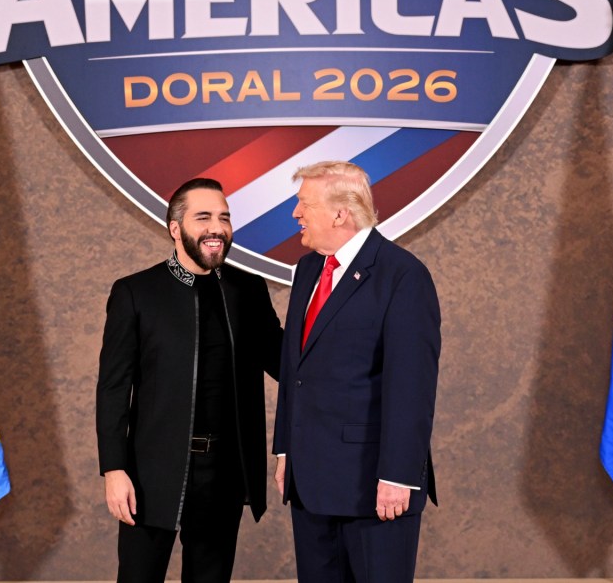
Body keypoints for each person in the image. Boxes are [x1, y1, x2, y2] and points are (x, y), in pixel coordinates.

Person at [97, 177, 282, 583]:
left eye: (224, 217)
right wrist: (114, 470)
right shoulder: (135, 292)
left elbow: (288, 367)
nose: (217, 227)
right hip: (150, 473)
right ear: (176, 228)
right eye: (204, 217)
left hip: (226, 474)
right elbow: (113, 388)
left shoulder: (249, 290)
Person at [273, 161, 441, 583]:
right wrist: (284, 451)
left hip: (374, 487)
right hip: (310, 483)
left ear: (339, 213)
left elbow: (411, 386)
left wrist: (399, 475)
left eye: (303, 204)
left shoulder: (403, 275)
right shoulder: (308, 270)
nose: (296, 214)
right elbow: (295, 369)